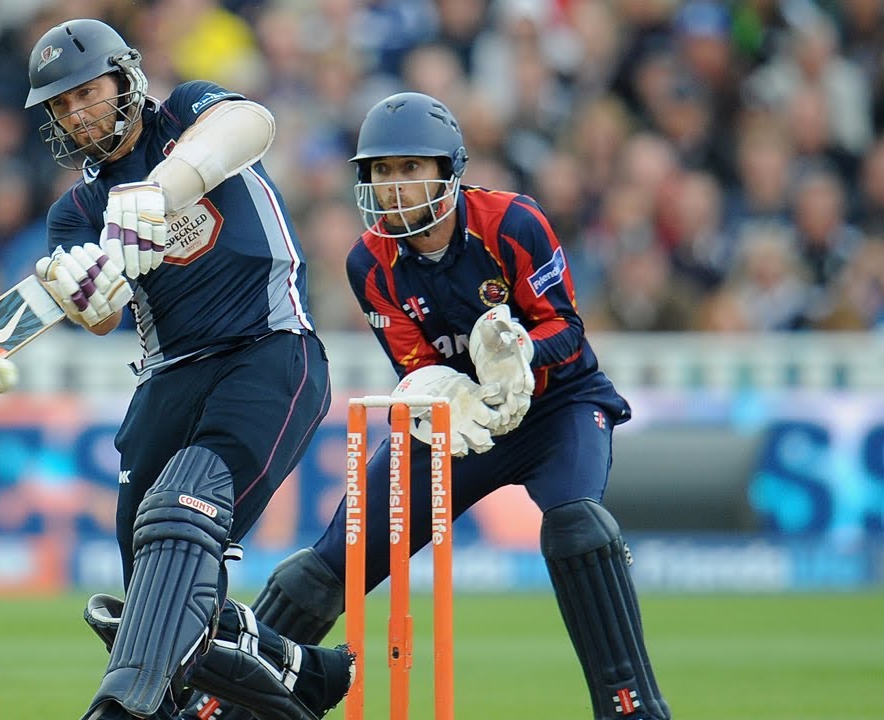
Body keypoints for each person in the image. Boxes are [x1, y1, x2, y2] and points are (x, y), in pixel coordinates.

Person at [186, 92, 673, 719]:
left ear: (449, 170)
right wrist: (444, 389)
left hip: (558, 408)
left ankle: (632, 708)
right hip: (459, 425)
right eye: (382, 171)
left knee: (578, 526)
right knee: (323, 570)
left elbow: (568, 329)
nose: (396, 186)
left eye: (411, 167)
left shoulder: (512, 223)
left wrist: (520, 348)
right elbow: (416, 367)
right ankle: (220, 708)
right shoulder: (370, 262)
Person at [20, 18, 353, 720]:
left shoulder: (188, 114)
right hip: (168, 381)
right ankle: (304, 676)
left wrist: (160, 191)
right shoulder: (76, 212)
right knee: (151, 606)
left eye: (88, 91)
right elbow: (103, 315)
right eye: (62, 104)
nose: (78, 112)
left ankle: (117, 711)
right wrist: (84, 285)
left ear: (124, 77)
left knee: (180, 513)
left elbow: (251, 124)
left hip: (270, 351)